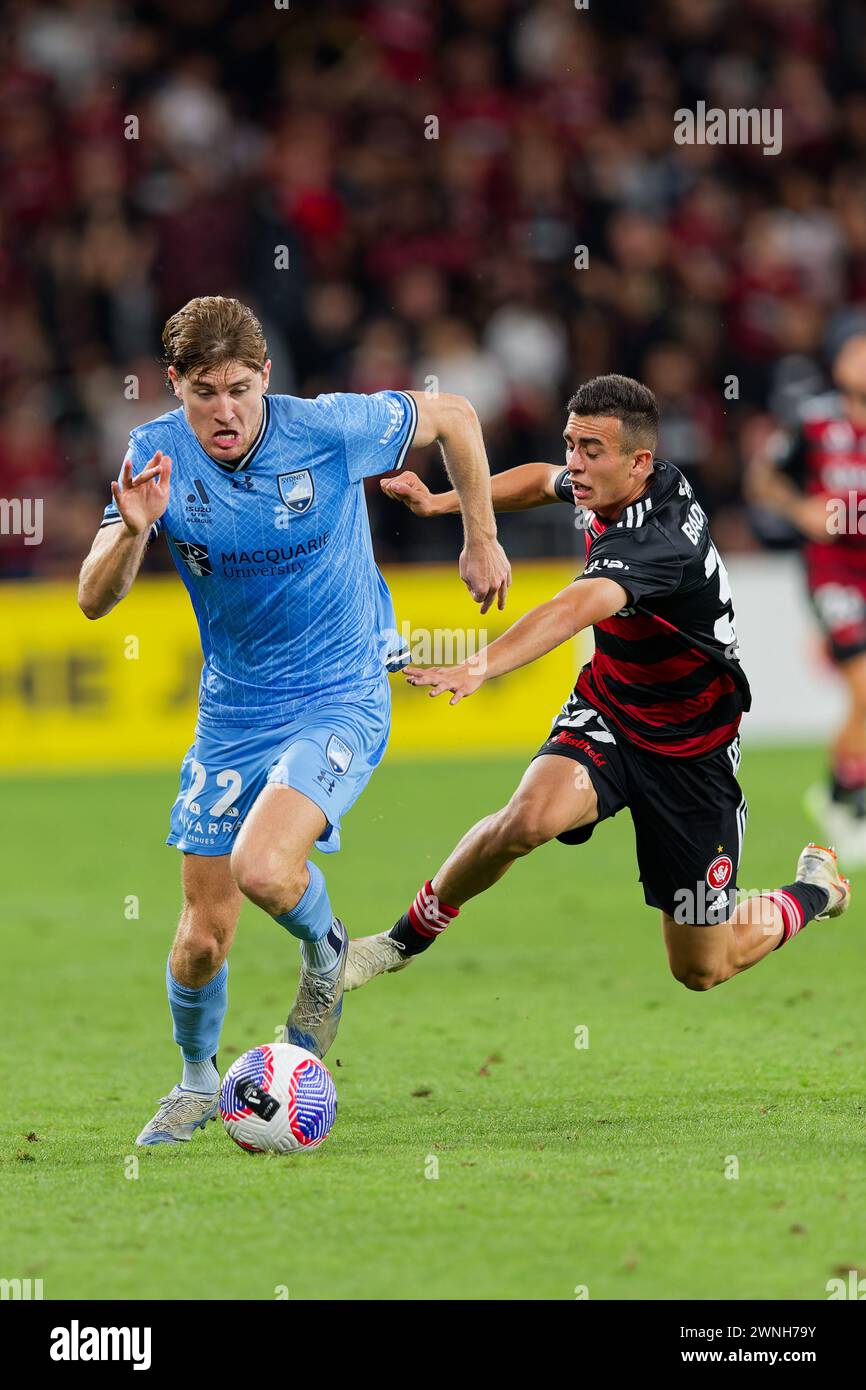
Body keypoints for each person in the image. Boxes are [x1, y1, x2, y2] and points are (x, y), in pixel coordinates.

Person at [77, 295, 511, 1145]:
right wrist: (131, 534)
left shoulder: (330, 428)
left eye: (240, 388)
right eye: (204, 392)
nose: (225, 411)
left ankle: (326, 957)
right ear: (176, 386)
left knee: (267, 869)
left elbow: (455, 415)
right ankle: (198, 1082)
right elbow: (95, 598)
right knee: (202, 939)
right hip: (234, 710)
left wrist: (481, 537)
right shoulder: (154, 456)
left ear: (266, 379)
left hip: (342, 688)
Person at [344, 374, 850, 996]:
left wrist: (480, 663)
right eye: (571, 444)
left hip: (694, 749)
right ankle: (397, 943)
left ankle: (815, 890)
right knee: (527, 819)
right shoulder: (608, 484)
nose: (574, 464)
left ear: (639, 462)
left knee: (701, 967)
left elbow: (571, 609)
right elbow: (538, 480)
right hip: (611, 710)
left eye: (591, 451)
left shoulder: (659, 539)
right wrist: (443, 502)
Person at [749, 334, 866, 863]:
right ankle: (847, 802)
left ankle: (839, 794)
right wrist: (800, 511)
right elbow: (762, 479)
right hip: (834, 572)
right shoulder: (814, 423)